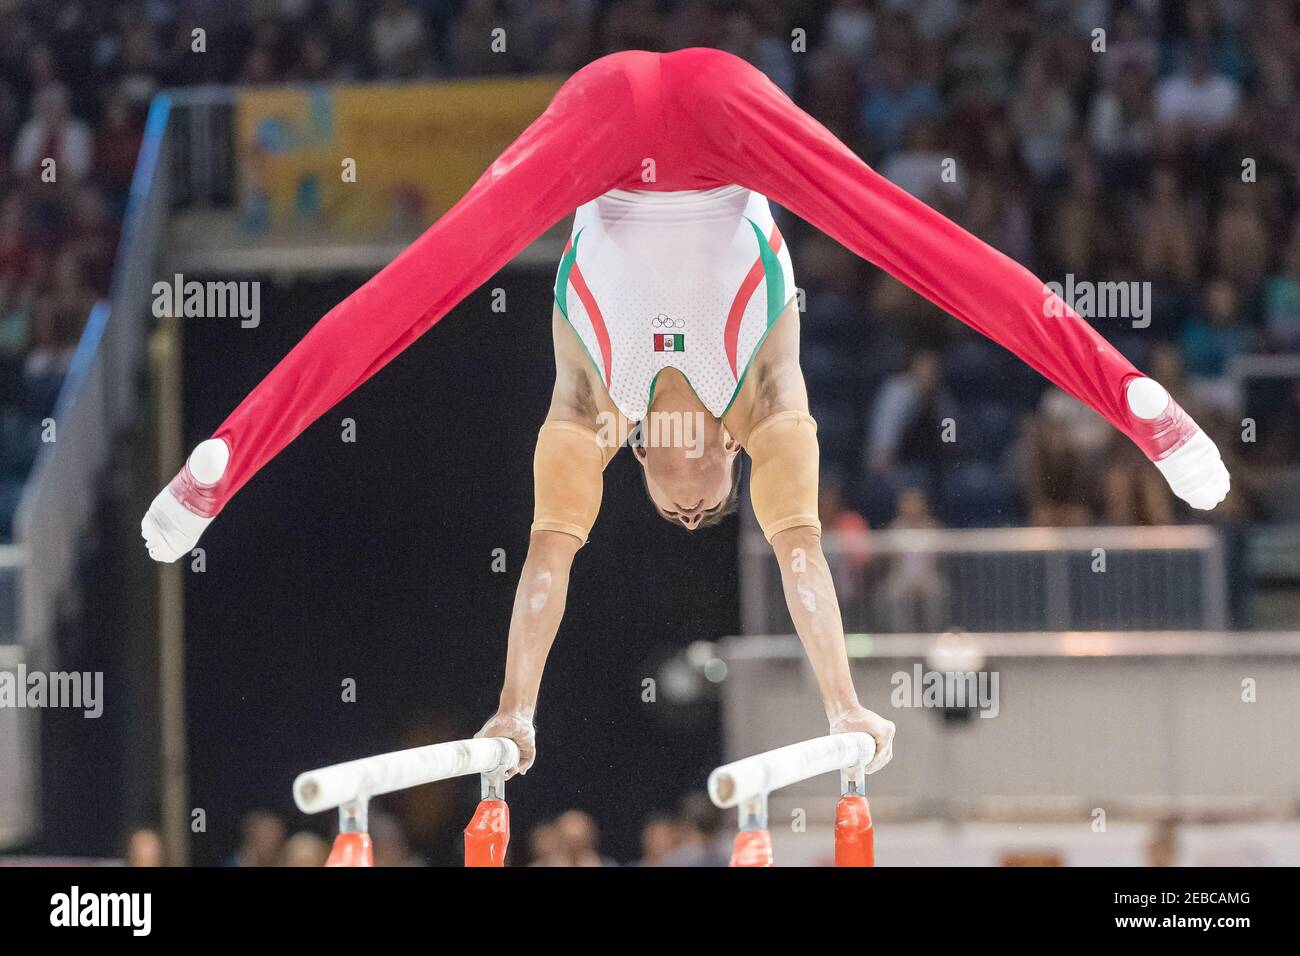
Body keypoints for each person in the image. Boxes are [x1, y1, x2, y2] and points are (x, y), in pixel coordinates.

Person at [142, 48, 1232, 780]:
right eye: (719, 473)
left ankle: (219, 462)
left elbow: (546, 564)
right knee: (896, 230)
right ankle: (1144, 408)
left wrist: (515, 707)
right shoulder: (768, 397)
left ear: (645, 478)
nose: (698, 458)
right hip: (723, 117)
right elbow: (799, 547)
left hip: (607, 121)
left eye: (684, 481)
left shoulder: (586, 411)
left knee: (435, 270)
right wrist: (842, 702)